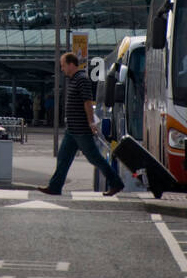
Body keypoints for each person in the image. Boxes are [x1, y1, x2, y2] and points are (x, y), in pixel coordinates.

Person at [39, 52, 125, 197]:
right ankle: (54, 187)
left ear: (71, 64)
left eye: (63, 65)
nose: (62, 69)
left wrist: (91, 122)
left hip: (81, 130)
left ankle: (116, 183)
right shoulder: (73, 80)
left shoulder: (82, 79)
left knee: (94, 158)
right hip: (71, 130)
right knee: (63, 158)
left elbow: (87, 101)